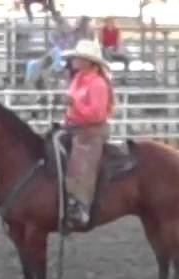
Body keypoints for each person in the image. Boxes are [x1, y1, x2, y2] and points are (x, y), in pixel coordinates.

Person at [61, 39, 114, 231]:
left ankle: (82, 205)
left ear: (89, 62)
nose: (74, 60)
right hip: (74, 126)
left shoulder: (98, 84)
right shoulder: (78, 79)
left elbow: (97, 114)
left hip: (92, 129)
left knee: (82, 156)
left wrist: (74, 105)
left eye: (79, 57)